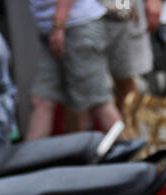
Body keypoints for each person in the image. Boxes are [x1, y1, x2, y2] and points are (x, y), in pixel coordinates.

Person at [25, 0, 121, 139]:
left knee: (98, 102)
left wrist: (59, 24)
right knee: (41, 100)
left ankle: (133, 155)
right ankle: (30, 159)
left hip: (74, 26)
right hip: (52, 31)